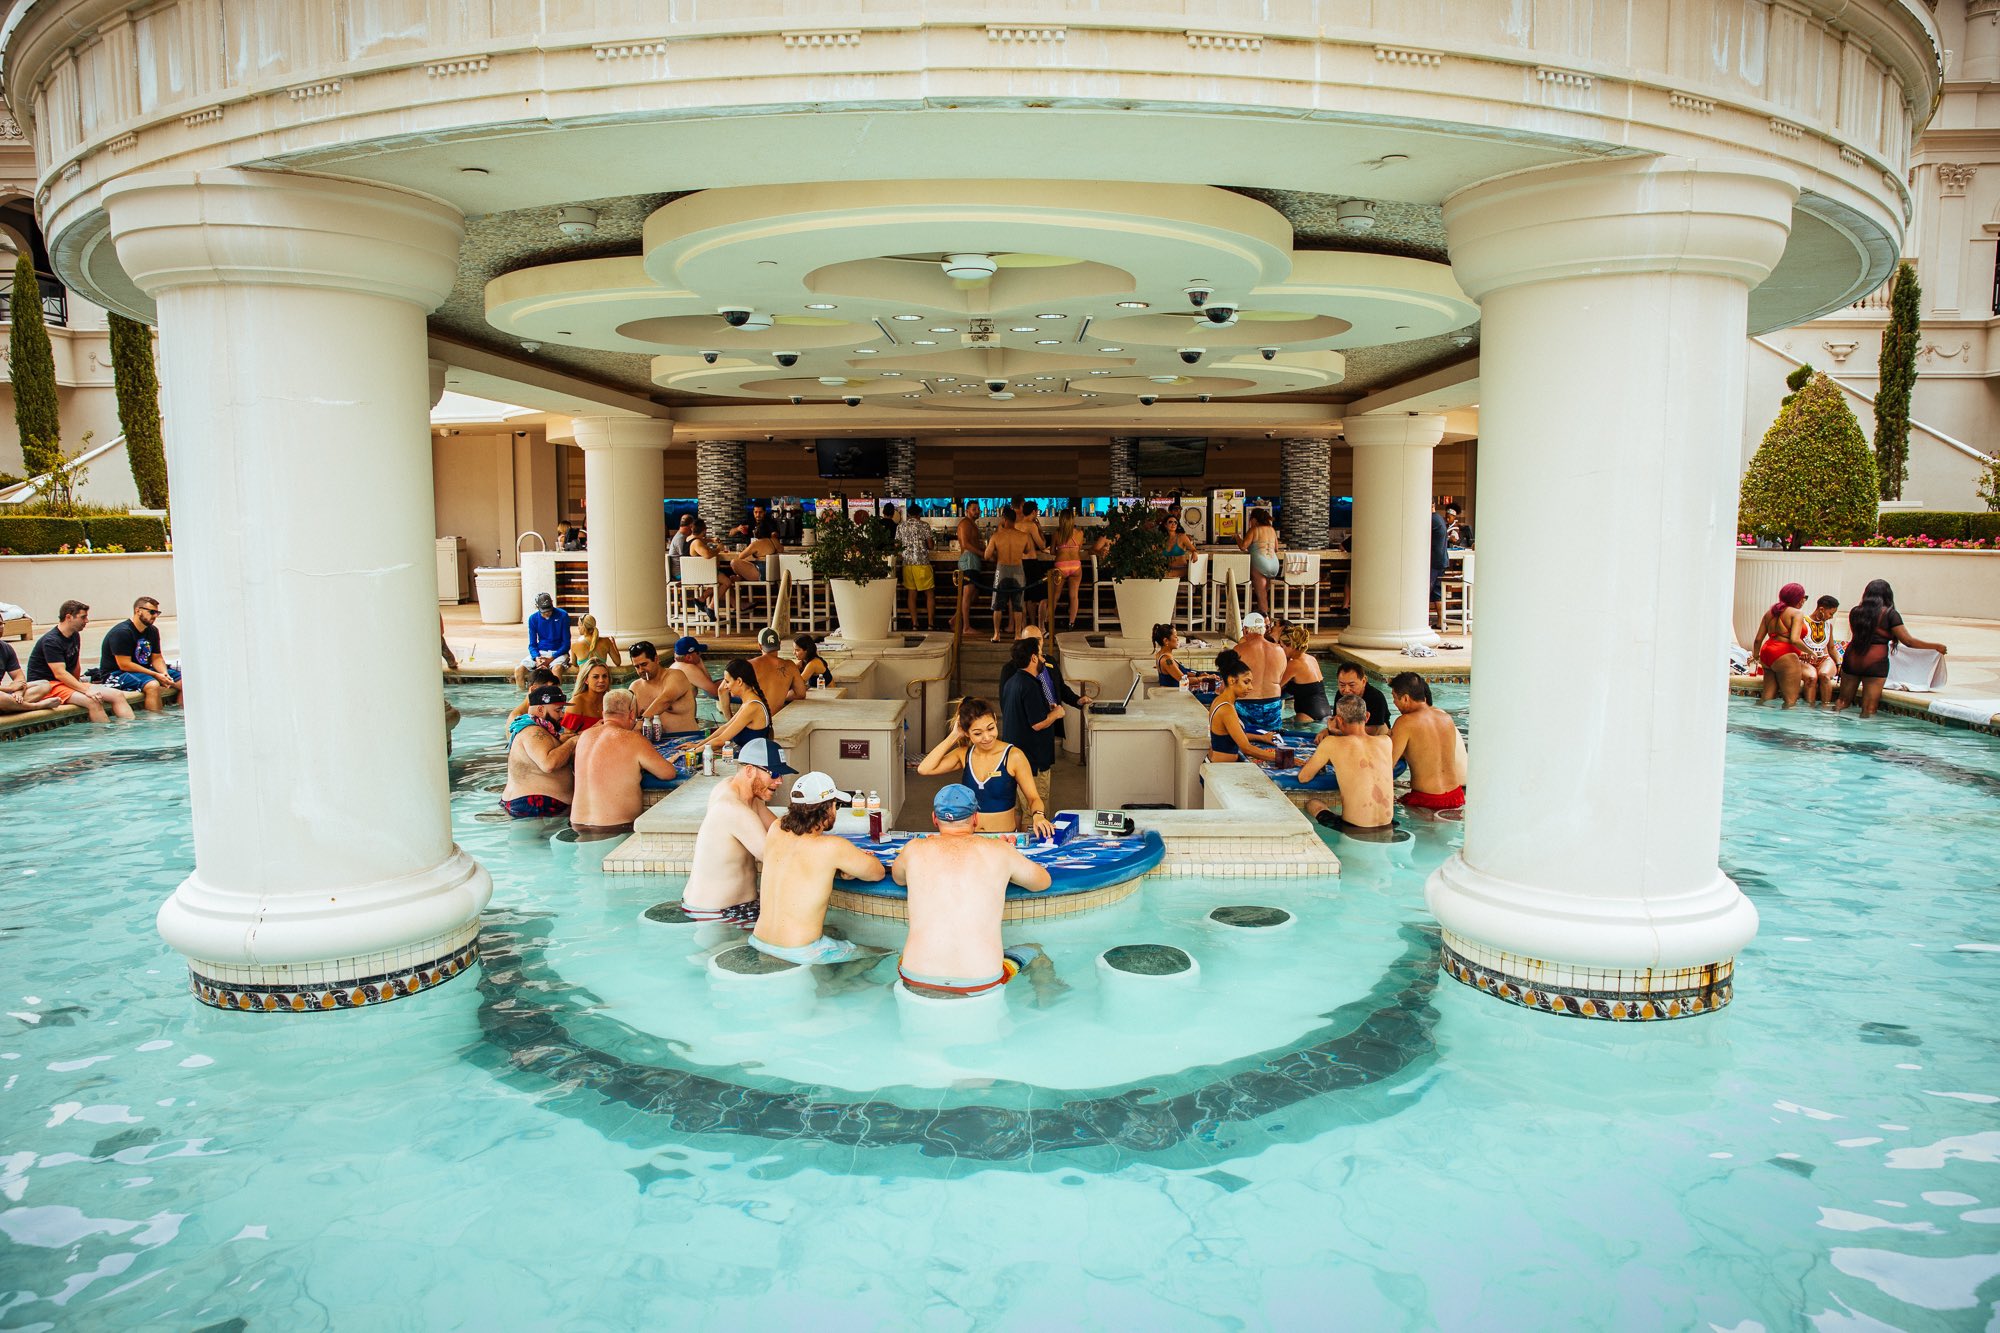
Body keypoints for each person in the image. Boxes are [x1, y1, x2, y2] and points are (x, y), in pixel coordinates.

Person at [891, 783, 1058, 998]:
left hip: (915, 977)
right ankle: (1047, 998)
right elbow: (1042, 882)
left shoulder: (913, 849)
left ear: (934, 818)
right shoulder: (1000, 851)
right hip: (980, 982)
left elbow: (898, 878)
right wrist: (1008, 865)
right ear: (976, 818)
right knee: (1033, 949)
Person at [749, 771, 889, 965]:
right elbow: (877, 872)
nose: (836, 810)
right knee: (880, 954)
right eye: (836, 805)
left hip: (759, 941)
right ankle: (838, 984)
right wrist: (849, 865)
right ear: (827, 808)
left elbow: (801, 867)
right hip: (801, 952)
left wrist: (838, 868)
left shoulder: (775, 828)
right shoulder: (832, 847)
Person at [681, 737, 792, 928]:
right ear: (749, 770)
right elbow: (777, 858)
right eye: (774, 773)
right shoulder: (733, 810)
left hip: (725, 910)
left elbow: (780, 829)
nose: (779, 781)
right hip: (717, 916)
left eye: (781, 774)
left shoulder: (739, 793)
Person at [916, 696, 1052, 837]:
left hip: (1003, 838)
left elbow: (1033, 798)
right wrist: (954, 735)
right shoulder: (963, 755)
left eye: (991, 728)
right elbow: (924, 769)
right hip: (970, 839)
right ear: (966, 732)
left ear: (995, 719)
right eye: (978, 733)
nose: (987, 737)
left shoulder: (1013, 756)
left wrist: (1038, 815)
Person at [568, 688, 679, 834]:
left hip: (577, 824)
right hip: (616, 827)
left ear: (603, 713)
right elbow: (668, 773)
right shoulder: (632, 738)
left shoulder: (584, 737)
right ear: (632, 714)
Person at [1835, 578, 1950, 718]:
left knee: (1842, 702)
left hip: (1852, 657)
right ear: (1888, 595)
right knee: (1869, 709)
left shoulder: (1855, 611)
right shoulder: (1890, 614)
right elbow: (1908, 641)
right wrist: (1936, 646)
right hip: (1875, 660)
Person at [21, 601, 132, 723]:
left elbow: (75, 665)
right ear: (69, 617)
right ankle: (103, 738)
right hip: (48, 686)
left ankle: (127, 734)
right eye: (83, 617)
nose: (87, 621)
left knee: (117, 695)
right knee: (93, 701)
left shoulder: (74, 635)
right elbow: (60, 673)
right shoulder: (51, 641)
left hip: (64, 683)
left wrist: (80, 685)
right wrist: (85, 690)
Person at [1300, 695, 1396, 833]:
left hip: (1354, 830)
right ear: (1367, 716)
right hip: (1389, 826)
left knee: (1312, 803)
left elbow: (1304, 777)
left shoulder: (1331, 743)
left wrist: (1333, 732)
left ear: (1338, 720)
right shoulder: (1386, 742)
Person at [999, 636, 1068, 820]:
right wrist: (1057, 713)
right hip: (1033, 762)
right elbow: (1037, 723)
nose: (1044, 659)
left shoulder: (1012, 682)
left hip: (1015, 757)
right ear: (1033, 658)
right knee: (1036, 812)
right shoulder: (1030, 685)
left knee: (1019, 811)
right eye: (1040, 654)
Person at [1390, 672, 1467, 811]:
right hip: (1457, 796)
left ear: (1406, 698)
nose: (1394, 703)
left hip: (1427, 801)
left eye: (1395, 698)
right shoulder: (1445, 717)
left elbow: (1388, 764)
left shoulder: (1405, 722)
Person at [501, 683, 579, 817]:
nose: (562, 715)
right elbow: (548, 764)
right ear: (541, 710)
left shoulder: (537, 728)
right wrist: (573, 742)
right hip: (534, 809)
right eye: (558, 710)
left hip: (533, 807)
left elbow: (555, 742)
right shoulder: (533, 732)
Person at [99, 595, 180, 712]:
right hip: (117, 674)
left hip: (143, 670)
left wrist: (164, 673)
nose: (155, 616)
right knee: (152, 685)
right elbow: (124, 665)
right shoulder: (122, 632)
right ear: (138, 611)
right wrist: (156, 675)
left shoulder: (152, 631)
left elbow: (156, 658)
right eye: (152, 612)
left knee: (184, 682)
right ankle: (155, 723)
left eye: (157, 613)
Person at [1206, 648, 1282, 764]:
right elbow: (1246, 748)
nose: (1251, 687)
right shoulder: (1226, 709)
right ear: (1232, 680)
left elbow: (1234, 734)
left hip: (1214, 764)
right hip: (1219, 771)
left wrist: (1262, 737)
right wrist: (1282, 758)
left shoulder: (1219, 700)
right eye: (1246, 682)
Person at [1749, 582, 1815, 708]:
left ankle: (1760, 726)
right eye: (1803, 597)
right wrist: (1812, 652)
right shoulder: (1796, 613)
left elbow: (1758, 639)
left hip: (1766, 653)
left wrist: (1756, 657)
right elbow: (1795, 640)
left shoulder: (1769, 613)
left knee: (1766, 698)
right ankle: (1785, 728)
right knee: (1790, 701)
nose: (1803, 601)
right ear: (1798, 599)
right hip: (1784, 655)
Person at [983, 505, 1037, 641]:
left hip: (1002, 570)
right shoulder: (1023, 536)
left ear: (1004, 519)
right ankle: (1018, 634)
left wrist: (997, 554)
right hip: (1018, 570)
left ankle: (996, 634)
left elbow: (986, 556)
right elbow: (1028, 550)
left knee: (997, 605)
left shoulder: (996, 536)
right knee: (1018, 605)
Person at [1231, 612, 1287, 733]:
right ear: (1264, 629)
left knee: (1246, 740)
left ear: (1245, 630)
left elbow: (1232, 682)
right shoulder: (1279, 650)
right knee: (1273, 740)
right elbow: (1280, 678)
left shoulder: (1239, 650)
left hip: (1246, 704)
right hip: (1272, 704)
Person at [628, 640, 698, 732]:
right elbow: (627, 718)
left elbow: (665, 700)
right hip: (652, 743)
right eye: (637, 667)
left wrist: (641, 722)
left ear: (656, 659)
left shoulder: (676, 676)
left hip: (687, 740)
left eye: (644, 664)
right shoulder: (635, 687)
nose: (641, 670)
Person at [709, 658, 777, 752]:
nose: (725, 686)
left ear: (739, 681)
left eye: (727, 682)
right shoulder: (748, 702)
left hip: (753, 762)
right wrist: (697, 745)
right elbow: (725, 727)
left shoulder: (752, 706)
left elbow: (720, 742)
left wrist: (693, 751)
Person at [516, 592, 572, 688]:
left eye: (549, 610)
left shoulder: (563, 615)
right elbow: (532, 644)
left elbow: (566, 644)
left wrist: (551, 658)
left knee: (557, 669)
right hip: (541, 652)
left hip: (558, 652)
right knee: (519, 670)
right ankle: (524, 697)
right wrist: (537, 658)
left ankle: (557, 696)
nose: (547, 613)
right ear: (537, 607)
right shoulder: (533, 619)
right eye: (544, 611)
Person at [894, 504, 937, 629]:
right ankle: (930, 624)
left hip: (907, 564)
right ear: (919, 514)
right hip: (922, 563)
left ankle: (914, 624)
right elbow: (930, 545)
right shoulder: (924, 525)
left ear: (908, 514)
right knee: (929, 594)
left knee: (911, 594)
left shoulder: (900, 526)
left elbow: (896, 546)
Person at [1277, 622, 1328, 726]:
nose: (1280, 650)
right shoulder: (1311, 659)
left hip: (1307, 714)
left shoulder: (1294, 664)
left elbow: (1275, 687)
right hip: (1326, 711)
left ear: (1291, 646)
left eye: (1282, 646)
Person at [749, 626, 807, 712]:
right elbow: (801, 694)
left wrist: (730, 717)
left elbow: (722, 690)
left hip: (755, 720)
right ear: (779, 643)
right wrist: (781, 696)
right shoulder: (790, 666)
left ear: (760, 646)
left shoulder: (749, 665)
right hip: (776, 717)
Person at [1798, 595, 1842, 707]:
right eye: (1830, 613)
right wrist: (1802, 653)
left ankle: (1825, 709)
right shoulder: (1802, 622)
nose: (1831, 617)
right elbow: (1795, 643)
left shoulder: (1829, 626)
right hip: (1805, 660)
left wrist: (1839, 663)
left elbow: (1831, 648)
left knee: (1824, 675)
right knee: (1812, 678)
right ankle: (1809, 708)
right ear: (1821, 609)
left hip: (1824, 659)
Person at [1239, 507, 1280, 618]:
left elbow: (1243, 546)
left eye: (1250, 520)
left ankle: (1264, 623)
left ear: (1254, 520)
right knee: (1264, 594)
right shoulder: (1271, 530)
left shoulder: (1254, 530)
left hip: (1260, 563)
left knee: (1261, 594)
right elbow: (1276, 548)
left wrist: (1237, 537)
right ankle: (1261, 618)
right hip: (1274, 563)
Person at [1333, 661, 1391, 736]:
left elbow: (1374, 730)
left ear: (1363, 681)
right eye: (1342, 685)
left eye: (1351, 685)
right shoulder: (1340, 694)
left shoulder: (1376, 697)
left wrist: (1336, 731)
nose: (1346, 690)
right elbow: (1335, 720)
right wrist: (1327, 730)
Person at [954, 502, 985, 636]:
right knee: (967, 595)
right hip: (969, 560)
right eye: (974, 509)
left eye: (978, 509)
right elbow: (965, 544)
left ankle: (955, 619)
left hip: (974, 560)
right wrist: (981, 553)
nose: (977, 511)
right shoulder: (965, 523)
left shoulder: (973, 524)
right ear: (967, 511)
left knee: (973, 594)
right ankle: (966, 627)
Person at [562, 658, 613, 733]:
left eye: (605, 676)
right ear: (586, 680)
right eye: (596, 677)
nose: (601, 680)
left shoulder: (612, 700)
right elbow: (565, 738)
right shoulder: (576, 703)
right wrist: (592, 730)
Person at [730, 519, 783, 587]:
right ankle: (740, 577)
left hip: (761, 575)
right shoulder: (774, 541)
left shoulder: (756, 544)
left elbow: (741, 556)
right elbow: (781, 550)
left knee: (734, 562)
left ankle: (740, 577)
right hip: (774, 574)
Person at [673, 635, 721, 708]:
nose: (700, 655)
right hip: (681, 717)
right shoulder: (689, 669)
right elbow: (715, 692)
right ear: (689, 657)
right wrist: (700, 664)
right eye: (698, 653)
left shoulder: (675, 666)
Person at [1429, 500, 1451, 631]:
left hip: (1434, 561)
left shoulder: (1431, 520)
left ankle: (1420, 622)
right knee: (1437, 592)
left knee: (1425, 591)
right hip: (1441, 560)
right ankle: (1440, 622)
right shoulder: (1438, 518)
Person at [0, 635, 35, 714]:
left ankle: (10, 705)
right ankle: (37, 706)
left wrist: (19, 692)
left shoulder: (6, 648)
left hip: (4, 695)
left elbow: (19, 677)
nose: (1, 627)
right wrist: (10, 688)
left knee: (43, 685)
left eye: (1, 623)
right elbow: (11, 688)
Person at [1153, 622, 1189, 687]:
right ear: (1166, 640)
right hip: (1172, 694)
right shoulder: (1167, 660)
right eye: (1175, 637)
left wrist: (1198, 675)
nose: (1178, 639)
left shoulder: (1160, 654)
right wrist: (1203, 679)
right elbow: (1183, 680)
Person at [1161, 512, 1193, 581]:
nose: (1173, 524)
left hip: (1181, 569)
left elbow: (1193, 549)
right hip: (1167, 569)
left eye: (1175, 522)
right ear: (1165, 525)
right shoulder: (1162, 539)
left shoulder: (1182, 537)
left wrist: (1195, 553)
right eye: (1170, 522)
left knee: (1163, 575)